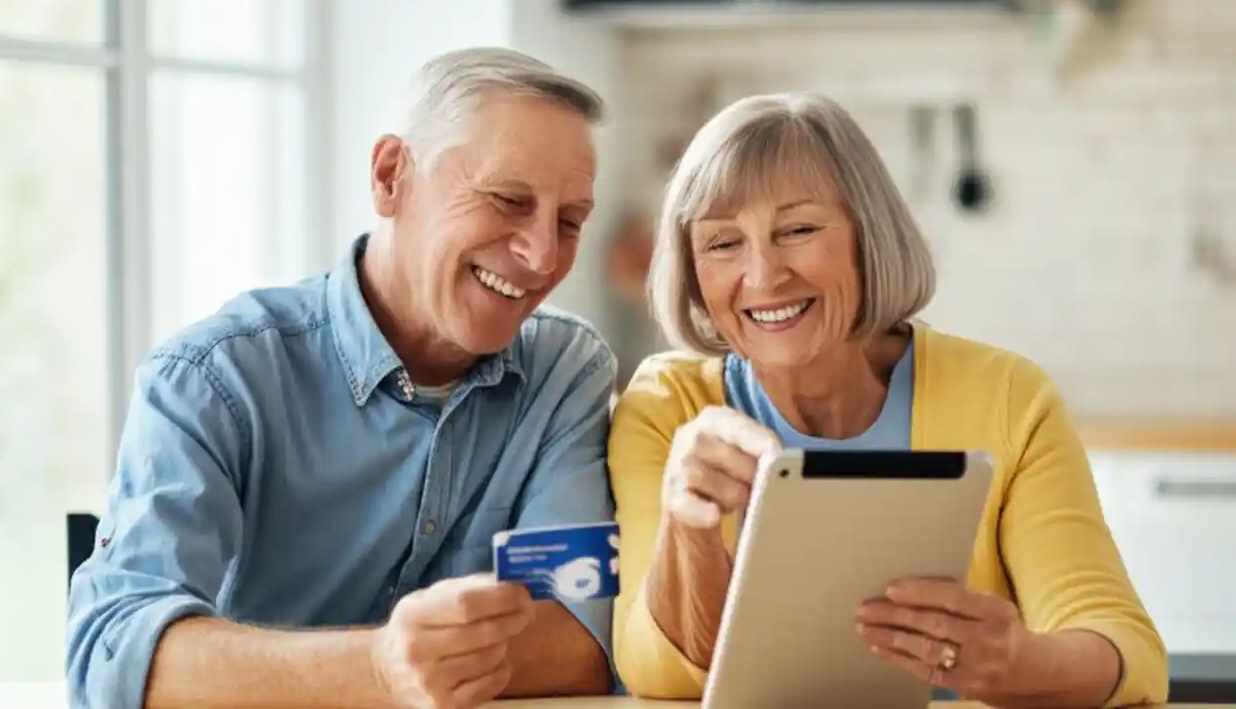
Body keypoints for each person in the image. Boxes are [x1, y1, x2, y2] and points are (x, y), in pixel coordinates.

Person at [67, 47, 617, 709]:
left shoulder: (566, 373)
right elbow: (116, 661)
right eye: (507, 200)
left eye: (569, 221)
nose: (543, 254)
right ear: (390, 177)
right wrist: (379, 669)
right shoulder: (215, 379)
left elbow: (583, 640)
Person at [608, 93, 1168, 707]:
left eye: (798, 230)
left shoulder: (1006, 397)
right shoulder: (666, 409)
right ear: (692, 269)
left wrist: (1022, 663)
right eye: (722, 244)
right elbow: (655, 674)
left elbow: (1127, 655)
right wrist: (689, 532)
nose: (764, 276)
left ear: (866, 235)